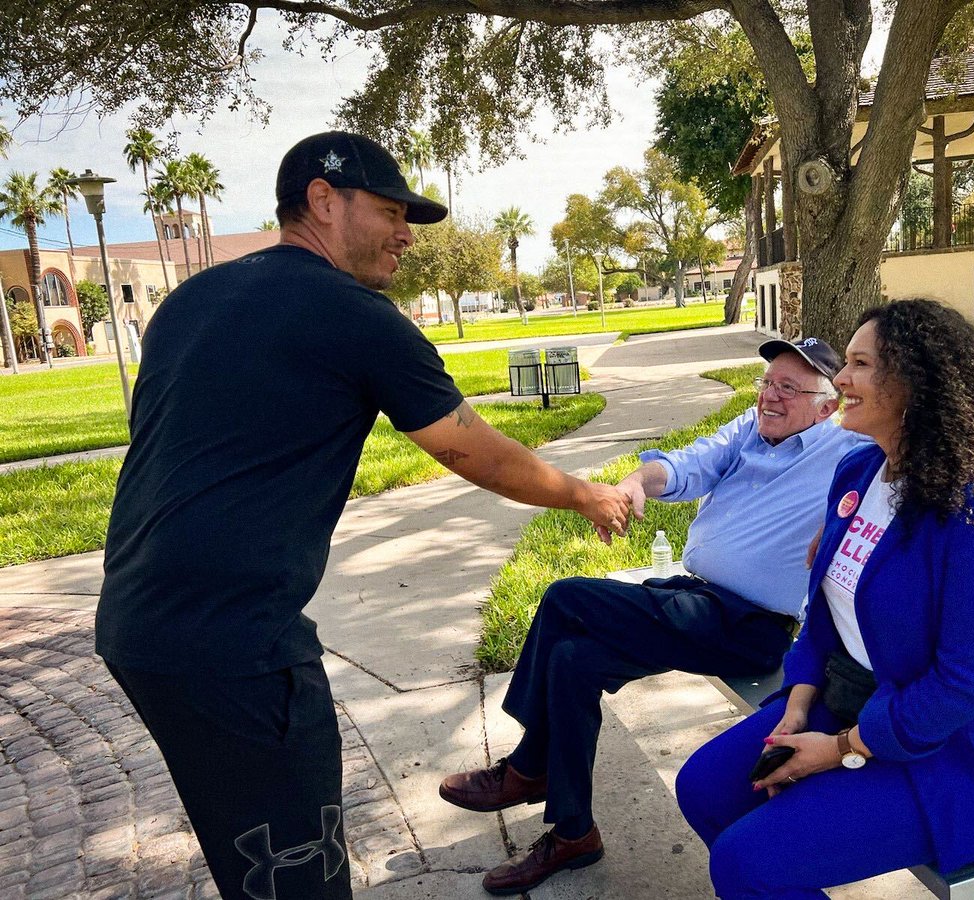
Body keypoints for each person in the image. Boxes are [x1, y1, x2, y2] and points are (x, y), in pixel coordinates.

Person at [94, 131, 631, 900]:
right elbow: (469, 448)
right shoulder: (354, 315)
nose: (407, 235)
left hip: (136, 625)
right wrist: (585, 493)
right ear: (323, 199)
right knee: (295, 866)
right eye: (389, 211)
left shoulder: (188, 303)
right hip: (236, 639)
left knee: (245, 842)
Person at [440, 337, 867, 895]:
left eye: (791, 388)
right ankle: (573, 834)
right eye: (768, 383)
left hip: (749, 627)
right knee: (571, 661)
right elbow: (690, 464)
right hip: (692, 598)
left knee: (566, 596)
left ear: (826, 407)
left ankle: (527, 767)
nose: (772, 396)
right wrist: (638, 480)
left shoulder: (841, 450)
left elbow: (895, 466)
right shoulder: (751, 428)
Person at [675, 299, 974, 899]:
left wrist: (835, 751)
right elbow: (823, 614)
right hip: (854, 704)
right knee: (703, 788)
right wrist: (798, 704)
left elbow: (969, 680)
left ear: (914, 382)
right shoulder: (859, 474)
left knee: (748, 864)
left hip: (958, 756)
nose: (840, 379)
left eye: (859, 364)